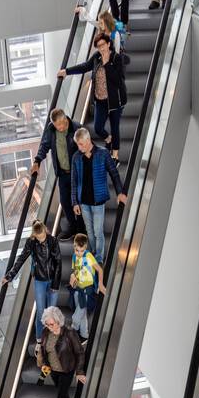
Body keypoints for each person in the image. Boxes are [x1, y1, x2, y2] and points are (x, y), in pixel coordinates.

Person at [60, 33, 129, 161]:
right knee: (97, 128)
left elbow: (118, 80)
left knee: (115, 128)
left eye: (103, 45)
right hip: (100, 100)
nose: (101, 48)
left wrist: (107, 64)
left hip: (115, 101)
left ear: (108, 44)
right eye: (98, 46)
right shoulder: (97, 57)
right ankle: (108, 139)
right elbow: (85, 66)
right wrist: (67, 71)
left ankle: (115, 155)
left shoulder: (117, 58)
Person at [70, 128, 127, 263]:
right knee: (89, 232)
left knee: (97, 231)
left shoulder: (103, 153)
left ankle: (99, 259)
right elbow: (74, 181)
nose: (79, 147)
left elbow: (114, 173)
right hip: (83, 201)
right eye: (78, 144)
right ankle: (94, 253)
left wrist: (120, 192)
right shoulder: (76, 157)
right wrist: (74, 202)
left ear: (88, 140)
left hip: (98, 201)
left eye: (81, 144)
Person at [2, 221, 62, 345]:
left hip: (52, 280)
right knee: (41, 312)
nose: (41, 240)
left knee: (52, 312)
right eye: (38, 237)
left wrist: (55, 284)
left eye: (43, 236)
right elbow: (21, 258)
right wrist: (10, 275)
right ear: (34, 235)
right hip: (39, 281)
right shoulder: (31, 243)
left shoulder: (53, 241)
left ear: (45, 230)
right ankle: (40, 340)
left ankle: (53, 338)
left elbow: (58, 263)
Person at [31, 109, 85, 238]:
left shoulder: (76, 128)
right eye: (56, 126)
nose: (58, 128)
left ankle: (82, 229)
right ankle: (73, 227)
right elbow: (44, 145)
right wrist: (37, 161)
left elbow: (86, 148)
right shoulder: (51, 130)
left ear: (64, 120)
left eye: (59, 125)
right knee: (65, 202)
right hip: (62, 174)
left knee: (78, 200)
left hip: (77, 173)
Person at [36, 305, 87, 398]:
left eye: (51, 324)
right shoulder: (45, 332)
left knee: (61, 396)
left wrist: (79, 372)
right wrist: (44, 362)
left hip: (66, 370)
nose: (49, 327)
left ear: (58, 321)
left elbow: (80, 352)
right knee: (62, 394)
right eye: (47, 325)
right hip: (53, 371)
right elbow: (44, 348)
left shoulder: (69, 334)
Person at [70, 233, 105, 340]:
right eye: (77, 250)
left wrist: (100, 284)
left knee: (77, 315)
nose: (79, 253)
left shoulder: (89, 256)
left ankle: (72, 331)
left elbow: (100, 270)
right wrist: (73, 276)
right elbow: (75, 270)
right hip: (77, 288)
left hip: (87, 290)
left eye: (81, 251)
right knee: (83, 313)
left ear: (85, 248)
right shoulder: (74, 257)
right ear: (74, 247)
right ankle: (84, 335)